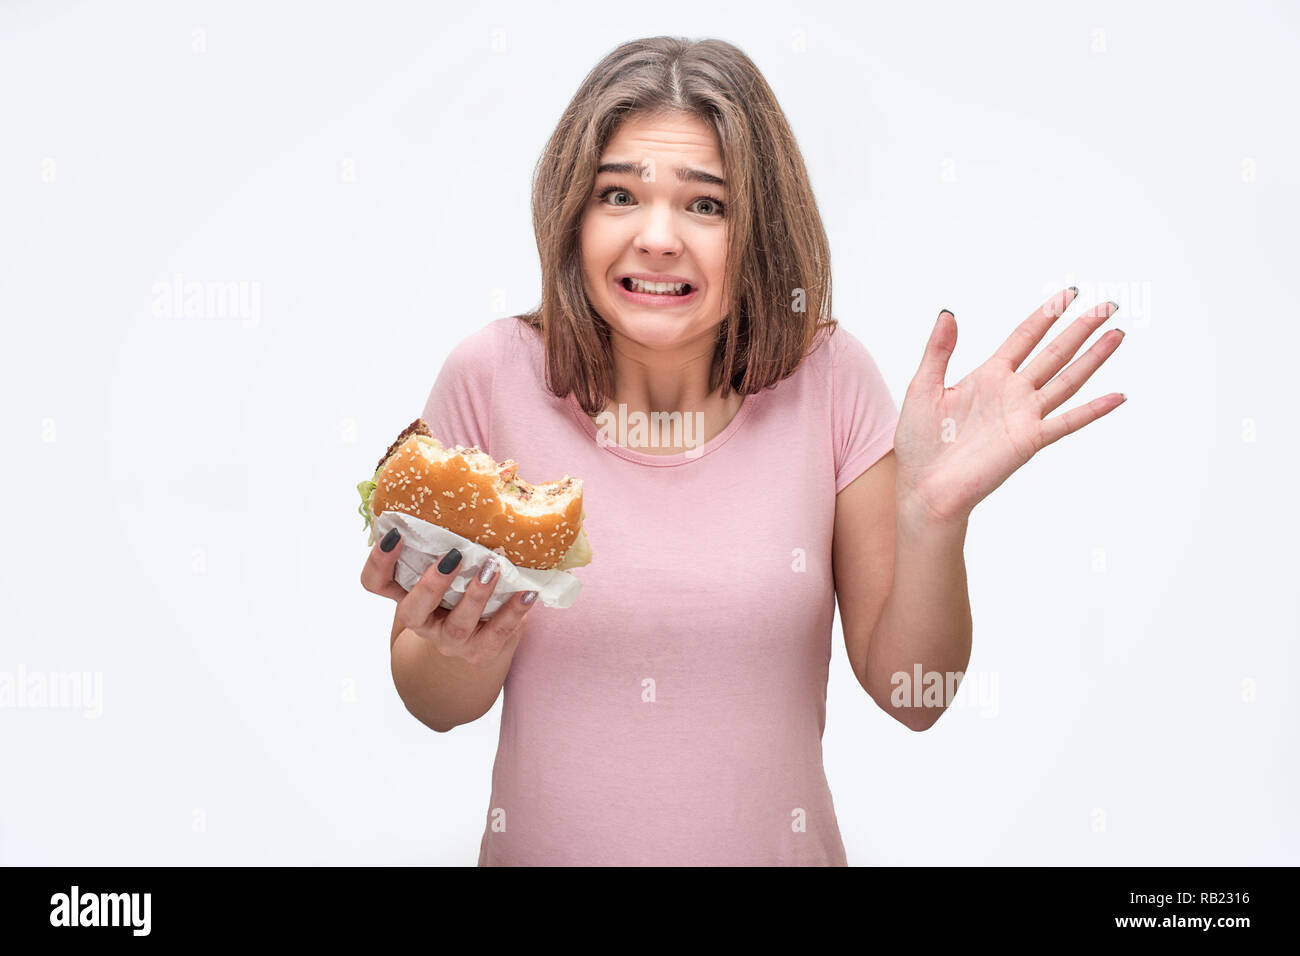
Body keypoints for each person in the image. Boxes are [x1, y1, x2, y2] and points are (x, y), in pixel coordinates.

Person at [359, 37, 1126, 866]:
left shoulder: (830, 379)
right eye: (619, 194)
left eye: (706, 205)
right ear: (574, 215)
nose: (657, 238)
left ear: (759, 229)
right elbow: (434, 705)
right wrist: (456, 643)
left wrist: (934, 518)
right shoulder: (491, 377)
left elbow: (915, 698)